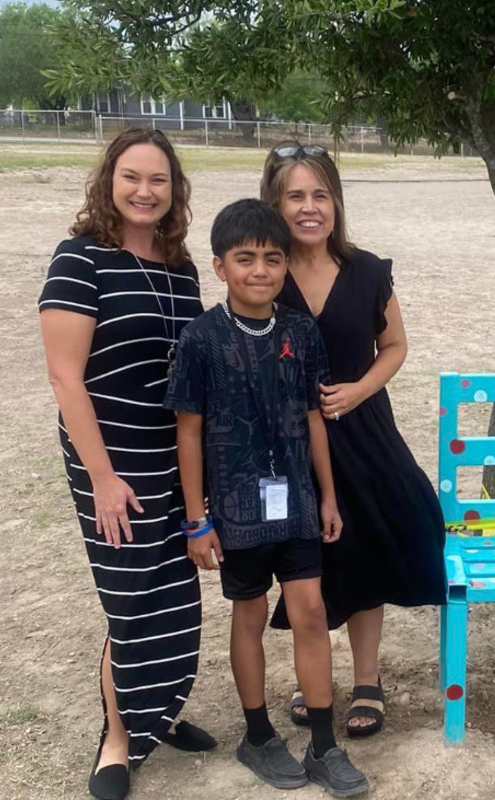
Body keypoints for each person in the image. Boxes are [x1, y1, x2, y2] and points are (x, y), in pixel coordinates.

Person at [164, 199, 370, 796]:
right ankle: (257, 735)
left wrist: (328, 497)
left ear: (285, 266)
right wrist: (197, 520)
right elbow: (189, 432)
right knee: (250, 613)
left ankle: (325, 746)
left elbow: (313, 418)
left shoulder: (301, 332)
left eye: (272, 259)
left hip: (299, 503)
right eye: (245, 259)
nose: (260, 270)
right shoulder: (200, 338)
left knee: (310, 611)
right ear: (219, 266)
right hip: (234, 509)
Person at [38, 127, 215, 800]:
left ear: (175, 190)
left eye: (159, 180)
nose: (145, 191)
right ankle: (118, 740)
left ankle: (158, 712)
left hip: (173, 453)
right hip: (109, 454)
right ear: (108, 182)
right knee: (132, 599)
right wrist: (105, 477)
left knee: (175, 592)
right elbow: (65, 378)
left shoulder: (180, 266)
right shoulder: (80, 258)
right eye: (132, 177)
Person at [260, 141, 447, 737]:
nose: (309, 207)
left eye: (321, 195)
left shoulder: (367, 272)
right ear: (275, 202)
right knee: (306, 562)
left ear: (336, 202)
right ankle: (312, 675)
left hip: (363, 433)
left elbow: (395, 347)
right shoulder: (262, 270)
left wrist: (358, 390)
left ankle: (367, 679)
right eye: (295, 195)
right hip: (289, 445)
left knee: (367, 553)